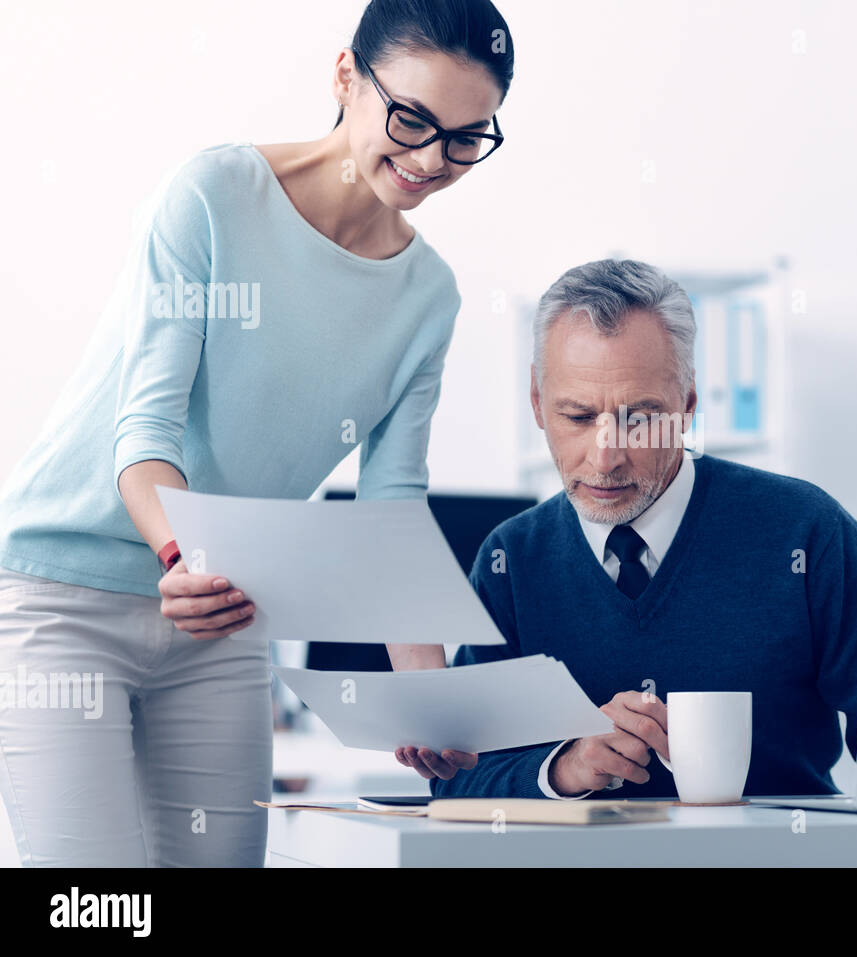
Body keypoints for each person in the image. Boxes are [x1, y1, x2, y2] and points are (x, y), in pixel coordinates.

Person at [0, 0, 513, 866]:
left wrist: (424, 697)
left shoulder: (429, 296)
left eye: (466, 136)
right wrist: (179, 559)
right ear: (347, 75)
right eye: (412, 118)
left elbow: (390, 509)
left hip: (223, 620)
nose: (431, 159)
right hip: (66, 596)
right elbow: (143, 438)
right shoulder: (213, 197)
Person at [395, 259, 857, 799]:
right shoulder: (512, 560)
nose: (605, 457)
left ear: (688, 407)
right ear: (538, 405)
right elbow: (459, 776)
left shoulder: (805, 532)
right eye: (579, 418)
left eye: (639, 418)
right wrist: (564, 767)